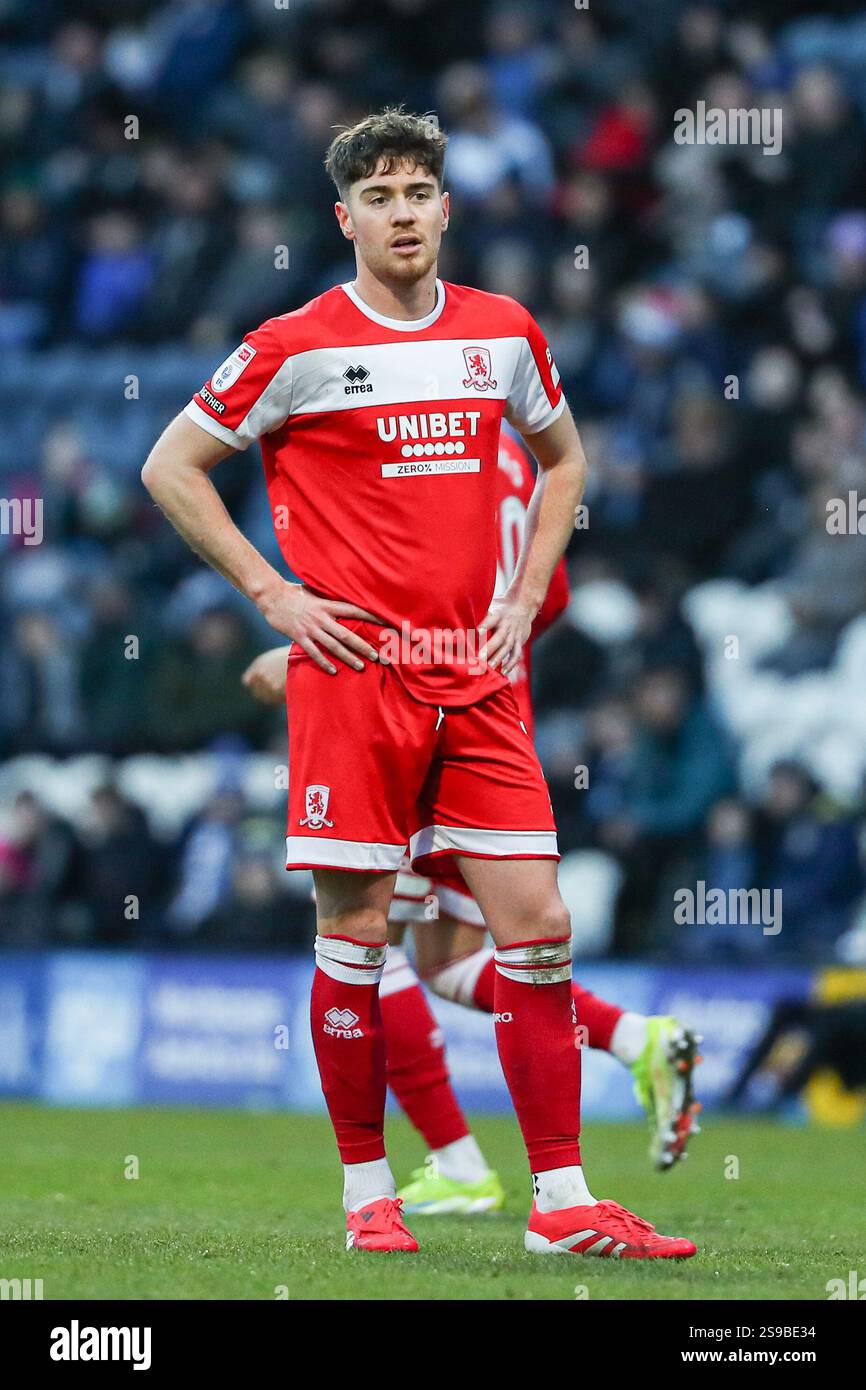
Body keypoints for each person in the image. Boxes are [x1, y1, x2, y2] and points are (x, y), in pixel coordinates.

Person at [142, 106, 696, 1259]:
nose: (402, 214)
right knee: (354, 932)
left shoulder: (501, 331)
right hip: (357, 677)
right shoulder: (292, 344)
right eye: (378, 198)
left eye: (417, 194)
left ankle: (559, 1204)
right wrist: (275, 598)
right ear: (344, 219)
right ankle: (365, 1194)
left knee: (537, 925)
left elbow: (564, 457)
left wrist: (518, 593)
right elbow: (171, 465)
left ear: (447, 208)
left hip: (479, 676)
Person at [243, 425, 702, 1213]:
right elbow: (548, 595)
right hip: (497, 712)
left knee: (365, 939)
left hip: (423, 716)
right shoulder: (512, 452)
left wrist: (307, 663)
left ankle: (459, 1162)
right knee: (449, 960)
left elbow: (393, 592)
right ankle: (632, 1042)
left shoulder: (416, 444)